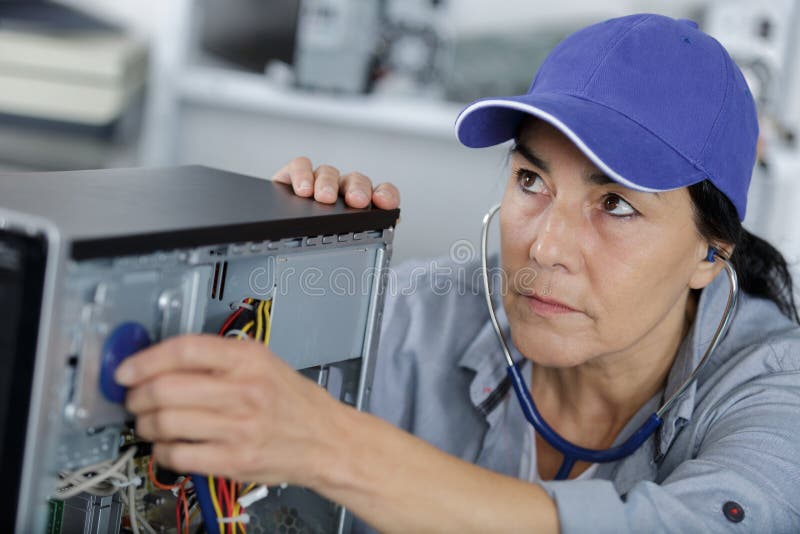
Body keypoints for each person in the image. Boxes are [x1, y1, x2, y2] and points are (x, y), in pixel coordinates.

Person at [116, 14, 800, 532]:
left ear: (711, 252)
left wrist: (333, 448)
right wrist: (290, 263)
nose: (546, 247)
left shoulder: (775, 392)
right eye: (531, 178)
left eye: (615, 204)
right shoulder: (430, 315)